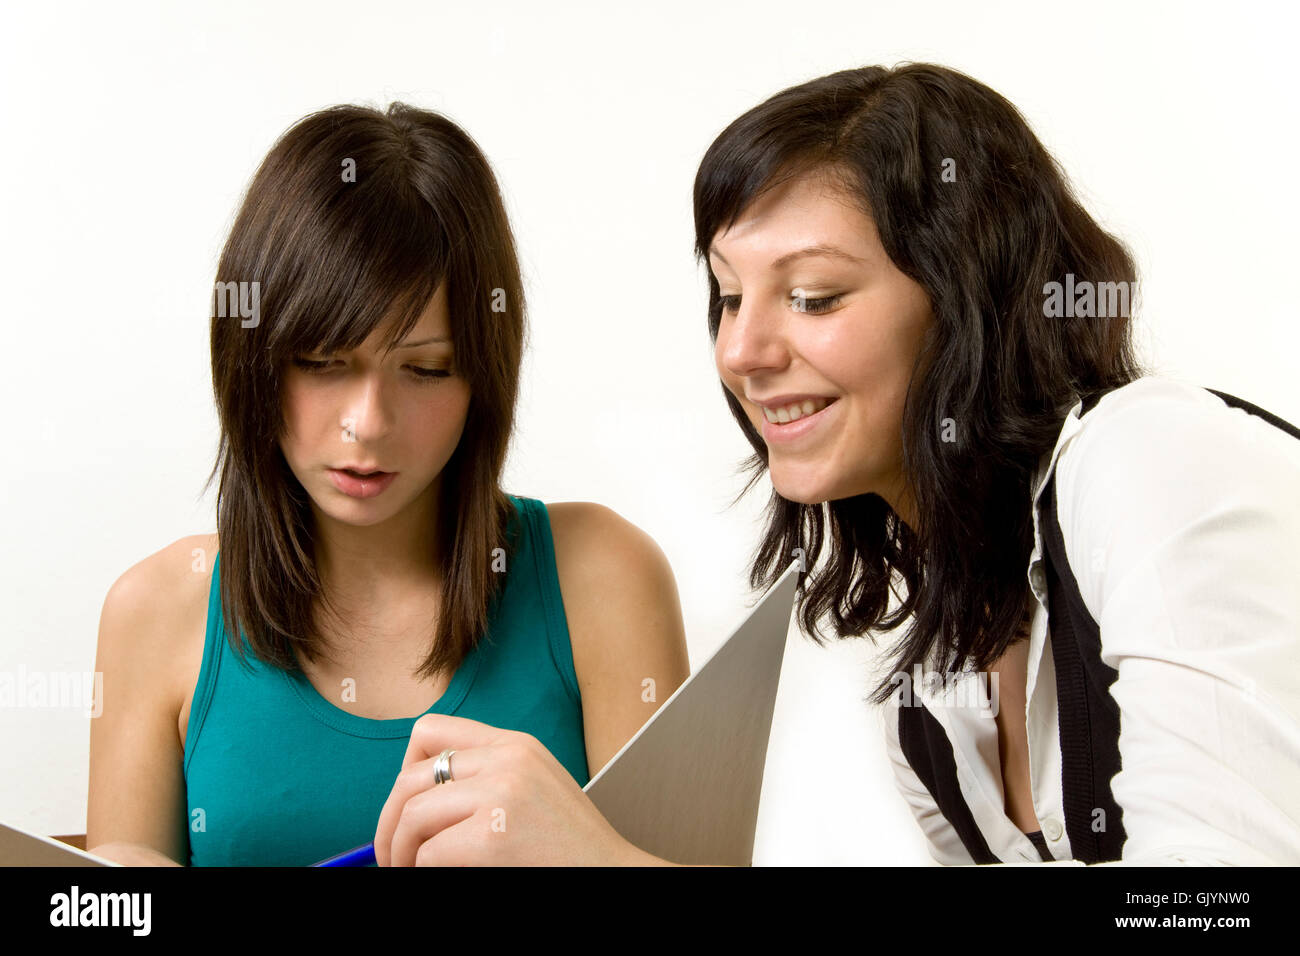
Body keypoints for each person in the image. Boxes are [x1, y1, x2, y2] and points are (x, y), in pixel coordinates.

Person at [367, 63, 1300, 866]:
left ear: (967, 299)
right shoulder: (935, 715)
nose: (741, 350)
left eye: (812, 297)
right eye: (730, 297)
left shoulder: (1149, 458)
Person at [84, 103, 690, 866]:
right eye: (322, 363)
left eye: (425, 369)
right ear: (252, 358)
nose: (367, 424)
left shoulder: (602, 575)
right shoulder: (156, 611)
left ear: (482, 379)